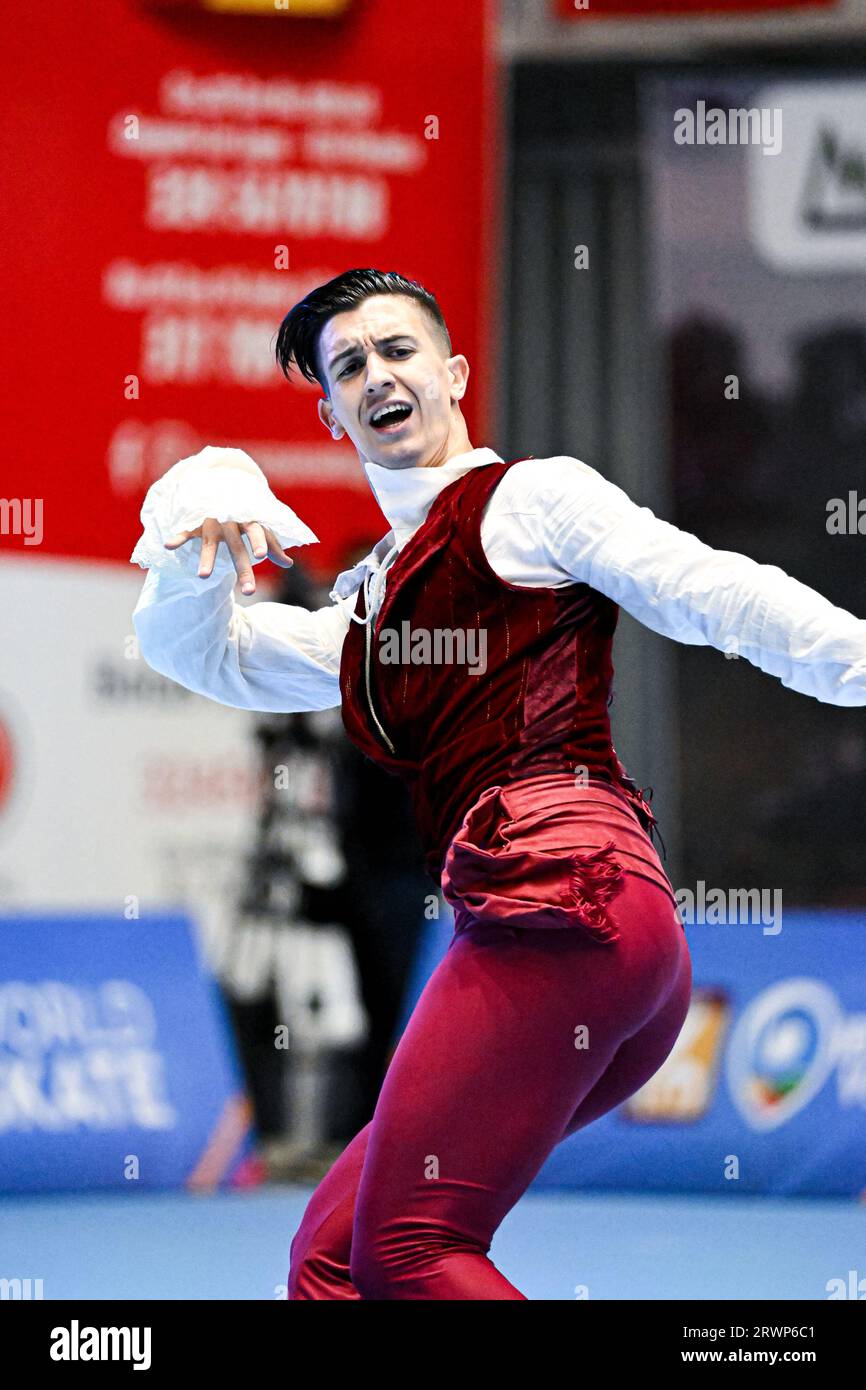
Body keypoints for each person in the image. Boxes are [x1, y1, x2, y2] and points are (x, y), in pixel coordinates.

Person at [130, 269, 866, 1300]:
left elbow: (714, 591)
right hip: (578, 940)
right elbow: (216, 656)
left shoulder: (526, 499)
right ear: (331, 414)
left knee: (408, 1252)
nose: (376, 374)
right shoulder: (372, 608)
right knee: (332, 1264)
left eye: (396, 350)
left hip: (568, 907)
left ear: (452, 372)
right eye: (349, 366)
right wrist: (190, 549)